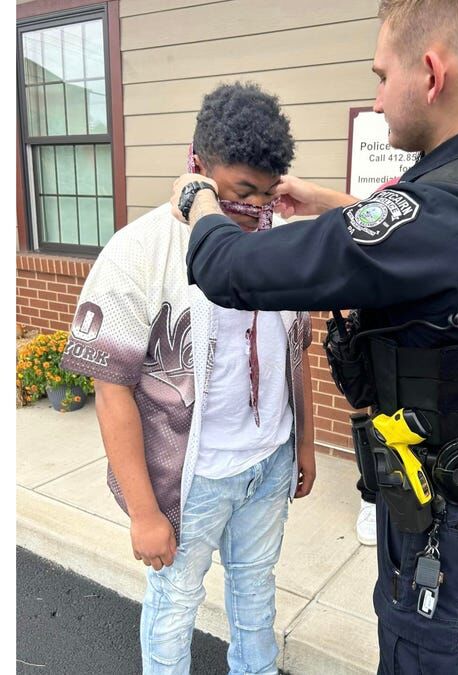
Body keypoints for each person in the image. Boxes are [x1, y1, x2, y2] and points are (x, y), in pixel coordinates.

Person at [168, 2, 458, 673]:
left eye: (383, 75)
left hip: (444, 521)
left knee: (428, 651)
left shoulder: (438, 217)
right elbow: (437, 241)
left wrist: (199, 200)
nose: (378, 96)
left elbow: (227, 268)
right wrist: (328, 201)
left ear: (431, 73)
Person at [61, 82, 317, 674]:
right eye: (240, 193)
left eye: (267, 195)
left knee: (256, 590)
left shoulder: (278, 239)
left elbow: (295, 346)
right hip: (191, 479)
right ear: (196, 167)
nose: (255, 211)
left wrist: (301, 441)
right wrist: (146, 513)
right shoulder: (140, 251)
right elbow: (111, 386)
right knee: (175, 604)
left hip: (267, 463)